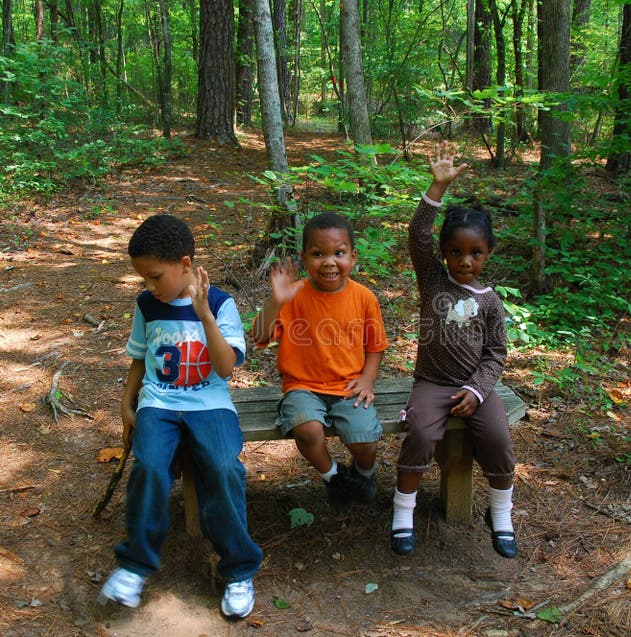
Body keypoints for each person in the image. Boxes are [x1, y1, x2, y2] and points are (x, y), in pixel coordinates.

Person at [98, 214, 263, 619]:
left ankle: (239, 570)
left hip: (209, 403)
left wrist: (204, 315)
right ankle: (134, 566)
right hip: (158, 402)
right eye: (144, 280)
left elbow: (225, 369)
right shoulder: (146, 306)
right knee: (150, 466)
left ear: (185, 265)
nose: (149, 287)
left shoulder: (221, 304)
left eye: (155, 277)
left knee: (224, 469)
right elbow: (139, 358)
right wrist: (126, 402)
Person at [390, 142, 518, 558]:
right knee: (420, 435)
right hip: (432, 383)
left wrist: (478, 391)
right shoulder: (433, 280)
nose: (465, 261)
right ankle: (403, 513)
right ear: (444, 253)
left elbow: (496, 353)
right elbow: (416, 233)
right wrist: (436, 188)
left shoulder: (491, 301)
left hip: (473, 388)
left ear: (488, 254)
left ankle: (501, 514)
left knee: (498, 438)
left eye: (475, 253)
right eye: (456, 252)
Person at [252, 212, 388, 509]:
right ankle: (335, 477)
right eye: (318, 254)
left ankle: (363, 475)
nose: (328, 261)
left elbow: (375, 346)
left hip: (348, 385)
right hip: (302, 385)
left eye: (338, 253)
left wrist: (367, 379)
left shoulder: (363, 297)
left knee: (365, 442)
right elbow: (260, 336)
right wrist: (276, 299)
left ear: (352, 256)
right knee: (307, 428)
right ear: (304, 257)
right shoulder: (295, 294)